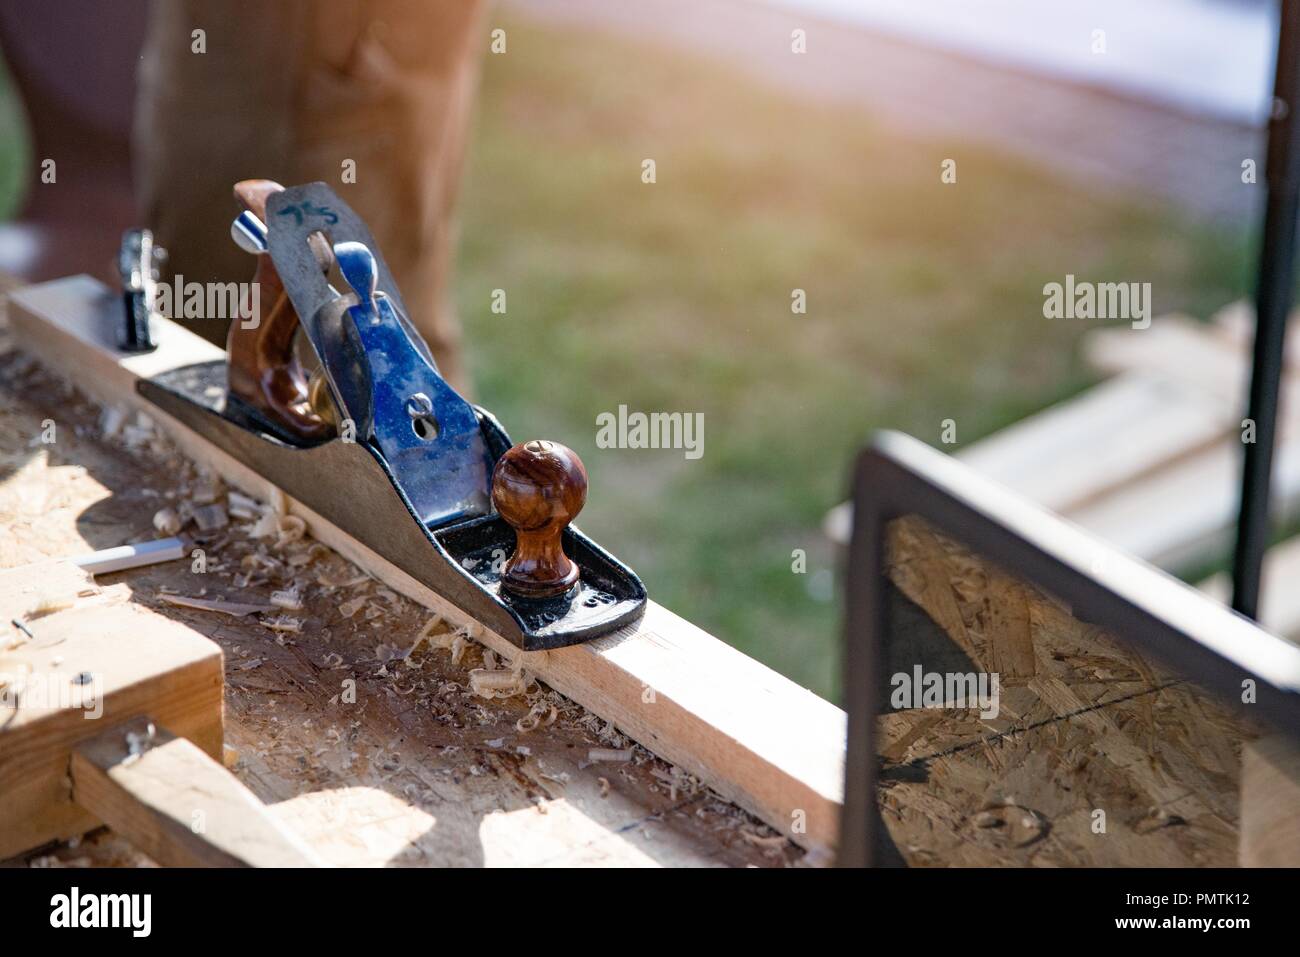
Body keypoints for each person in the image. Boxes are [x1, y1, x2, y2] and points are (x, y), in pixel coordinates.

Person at [133, 0, 486, 392]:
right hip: (234, 49)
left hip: (372, 48)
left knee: (361, 351)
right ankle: (260, 401)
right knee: (204, 297)